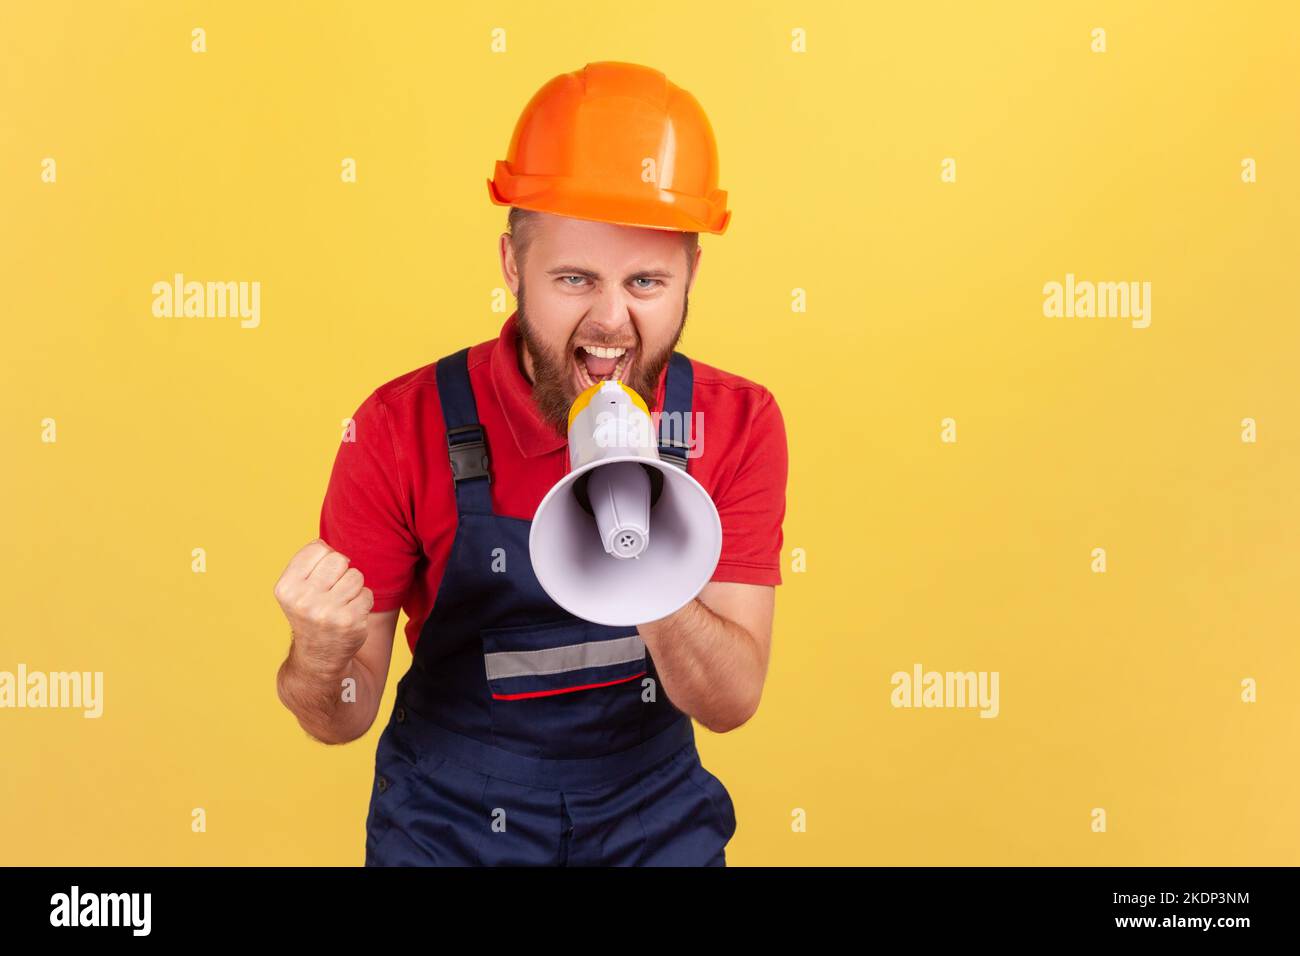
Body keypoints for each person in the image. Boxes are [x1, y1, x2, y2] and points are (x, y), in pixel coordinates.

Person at [273, 61, 788, 866]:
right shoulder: (398, 426)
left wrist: (646, 565)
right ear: (513, 269)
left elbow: (730, 703)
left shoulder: (737, 422)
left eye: (647, 280)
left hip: (652, 824)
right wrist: (319, 651)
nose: (611, 321)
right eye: (573, 277)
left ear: (692, 275)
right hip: (447, 828)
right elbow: (335, 716)